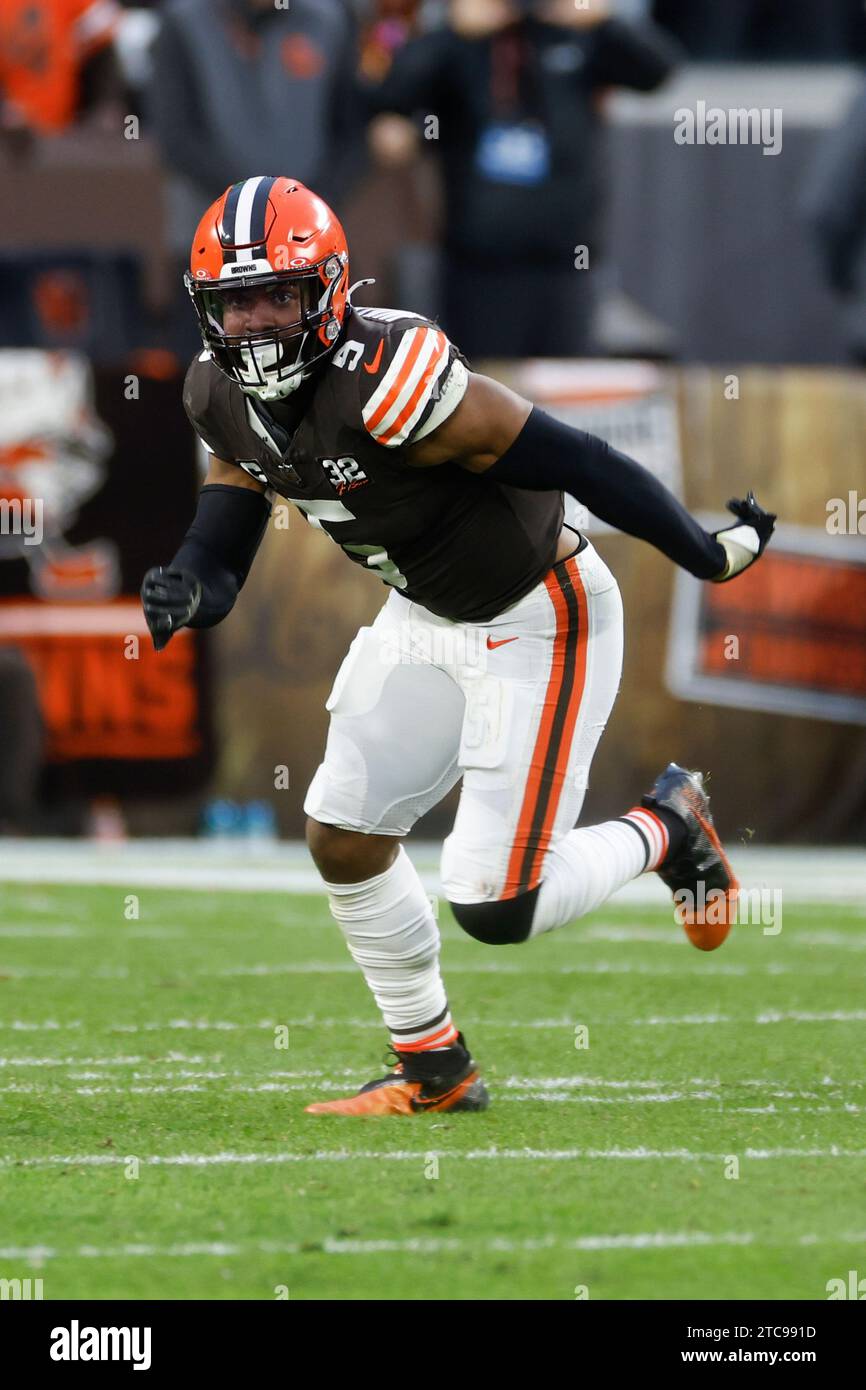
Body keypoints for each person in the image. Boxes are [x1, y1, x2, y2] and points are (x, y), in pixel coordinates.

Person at [141, 177, 776, 1116]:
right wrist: (198, 582)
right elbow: (235, 503)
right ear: (208, 311)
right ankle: (436, 1070)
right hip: (423, 617)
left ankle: (670, 825)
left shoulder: (393, 378)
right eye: (239, 302)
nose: (261, 320)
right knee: (344, 838)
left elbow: (573, 457)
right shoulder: (215, 390)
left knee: (496, 907)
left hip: (538, 614)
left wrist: (698, 549)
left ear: (329, 290)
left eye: (280, 294)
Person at [366, 0, 682, 356]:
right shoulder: (463, 44)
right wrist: (450, 31)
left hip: (566, 261)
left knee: (562, 388)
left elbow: (659, 71)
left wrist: (601, 18)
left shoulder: (578, 36)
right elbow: (390, 95)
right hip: (478, 266)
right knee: (482, 386)